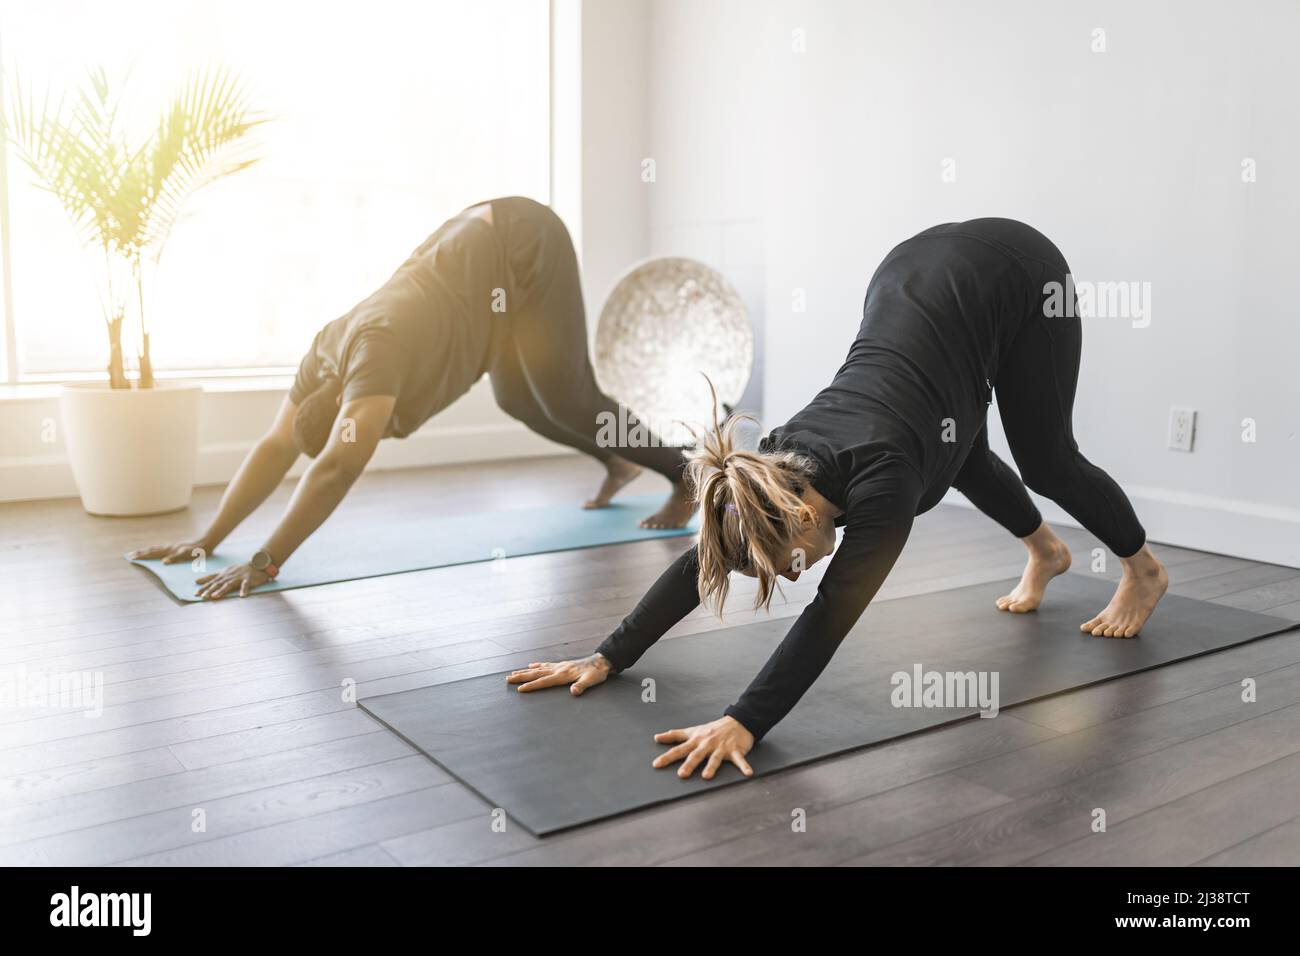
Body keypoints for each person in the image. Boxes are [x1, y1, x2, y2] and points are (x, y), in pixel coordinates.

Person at [506, 217, 1169, 781]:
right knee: (952, 446)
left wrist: (744, 722)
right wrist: (606, 655)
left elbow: (830, 615)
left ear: (800, 514)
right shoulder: (770, 465)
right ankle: (1046, 551)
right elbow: (708, 557)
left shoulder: (883, 485)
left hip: (1017, 273)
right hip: (909, 273)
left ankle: (1144, 570)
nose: (799, 572)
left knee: (1045, 460)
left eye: (790, 563)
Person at [130, 197, 694, 599]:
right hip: (480, 260)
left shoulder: (374, 357)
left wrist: (266, 560)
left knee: (568, 394)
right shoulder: (322, 357)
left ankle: (684, 473)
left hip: (525, 240)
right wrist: (208, 540)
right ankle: (617, 459)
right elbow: (278, 445)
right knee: (519, 399)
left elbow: (334, 469)